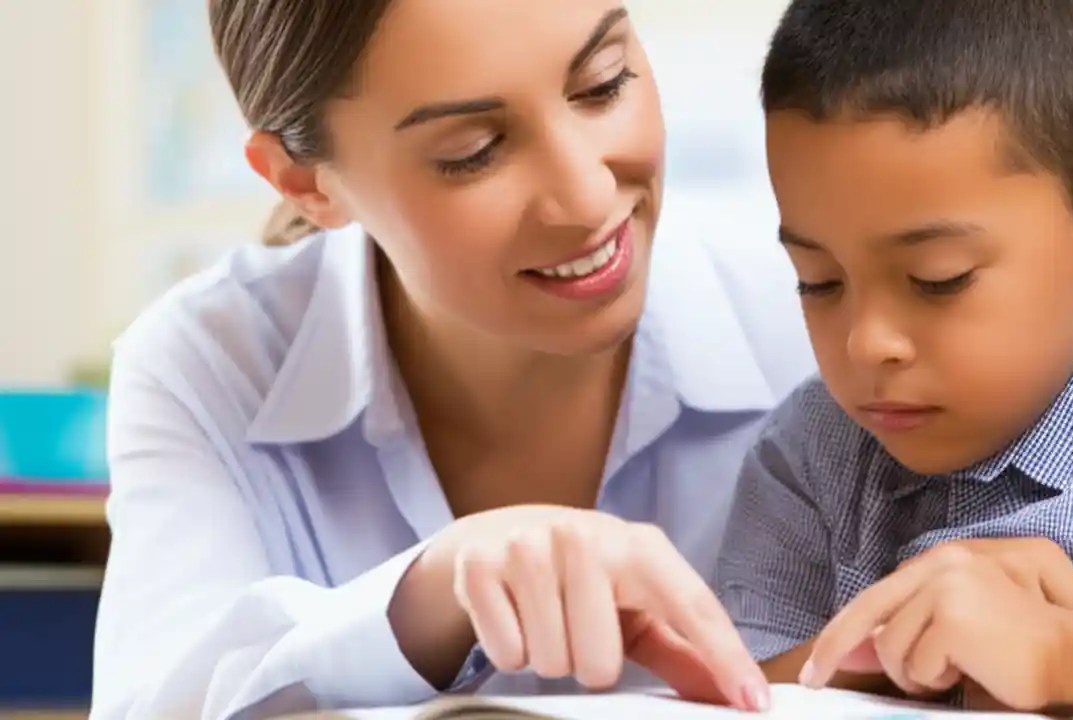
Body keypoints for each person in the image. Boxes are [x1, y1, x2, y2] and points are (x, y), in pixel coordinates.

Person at [90, 2, 818, 718]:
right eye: (472, 151)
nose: (587, 195)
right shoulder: (208, 365)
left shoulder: (813, 330)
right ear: (305, 181)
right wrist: (432, 592)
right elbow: (159, 701)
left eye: (603, 85)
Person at [715, 0, 1073, 717]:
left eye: (938, 278)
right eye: (818, 280)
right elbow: (729, 686)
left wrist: (1057, 652)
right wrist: (903, 642)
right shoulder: (810, 452)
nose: (867, 343)